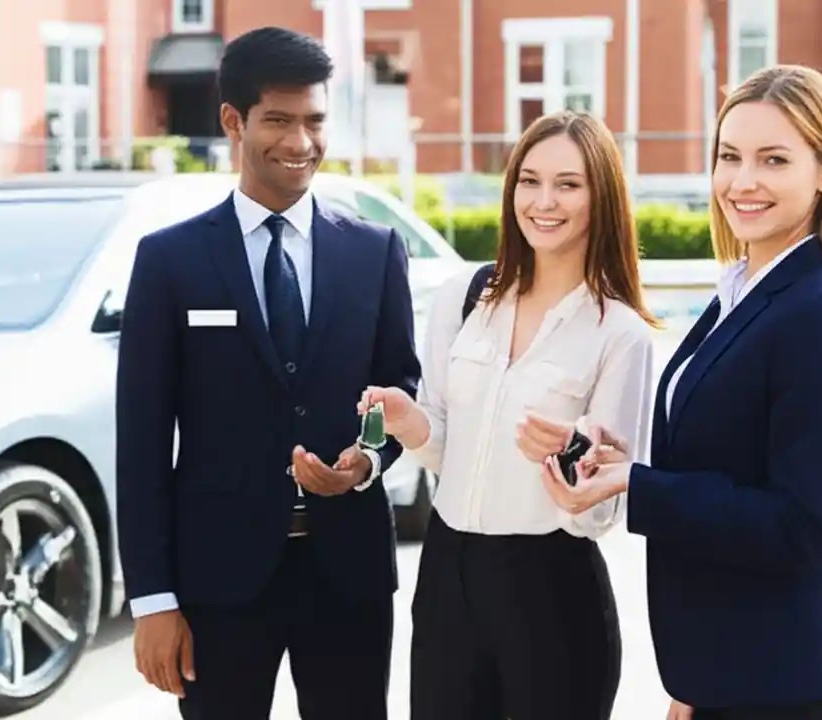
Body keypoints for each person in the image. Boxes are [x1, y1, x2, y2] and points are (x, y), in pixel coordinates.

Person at [534, 65, 822, 720]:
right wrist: (621, 462)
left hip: (796, 680)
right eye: (729, 156)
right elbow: (724, 463)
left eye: (773, 159)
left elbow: (800, 526)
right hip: (732, 668)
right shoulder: (743, 291)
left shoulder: (821, 313)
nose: (742, 181)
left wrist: (638, 485)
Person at [115, 26, 421, 720]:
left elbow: (397, 392)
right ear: (234, 121)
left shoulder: (374, 252)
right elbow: (141, 444)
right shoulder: (169, 261)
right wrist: (153, 600)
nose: (301, 142)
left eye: (315, 121)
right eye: (279, 120)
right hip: (216, 582)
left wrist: (366, 460)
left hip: (348, 578)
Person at [360, 110, 659, 719]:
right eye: (529, 180)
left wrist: (573, 458)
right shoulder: (465, 298)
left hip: (553, 588)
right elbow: (445, 450)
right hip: (447, 578)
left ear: (602, 197)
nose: (543, 201)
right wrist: (409, 421)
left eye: (568, 184)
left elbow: (601, 514)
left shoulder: (620, 333)